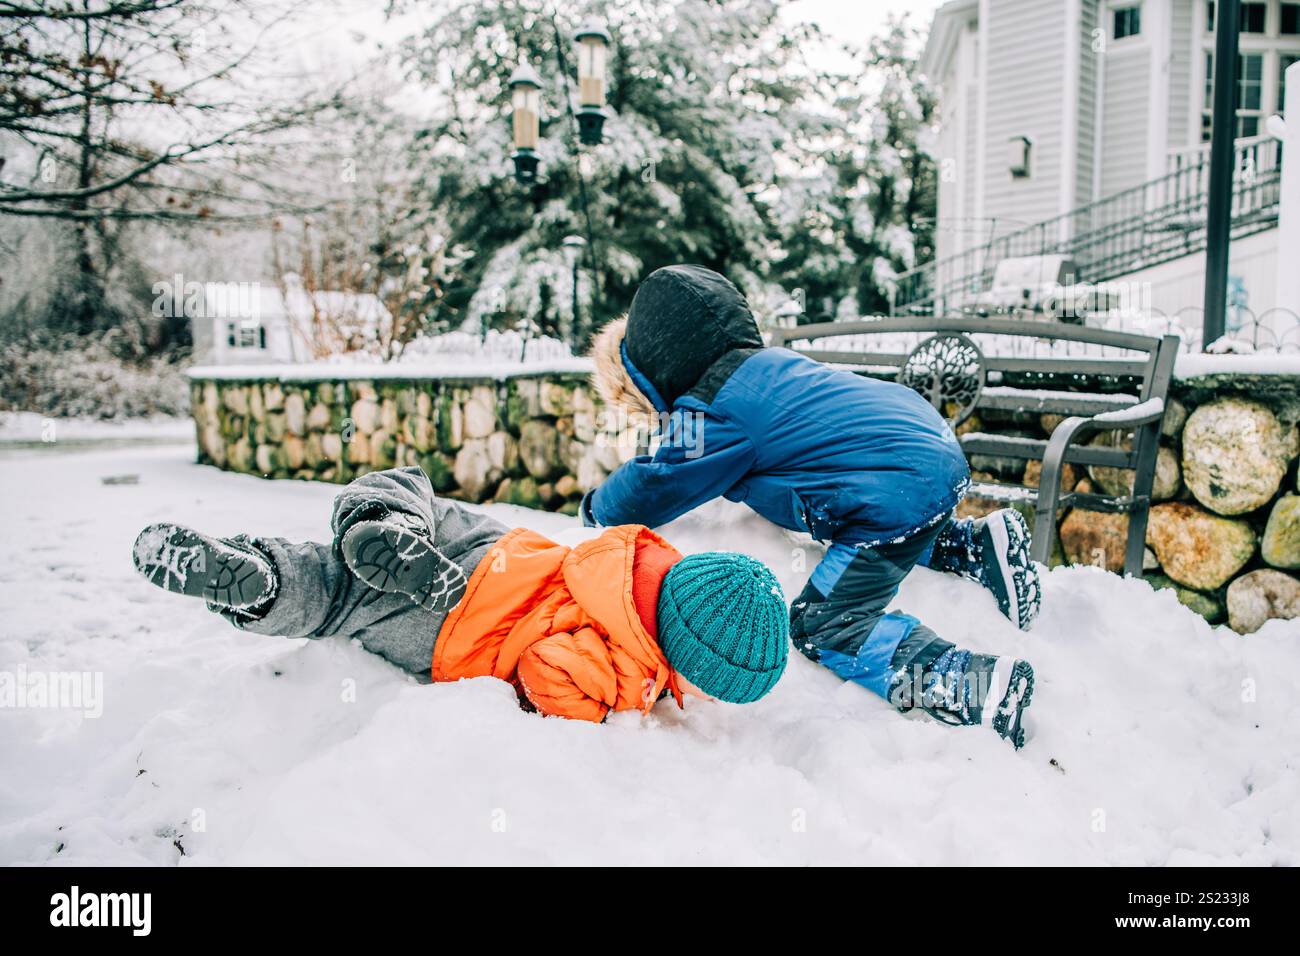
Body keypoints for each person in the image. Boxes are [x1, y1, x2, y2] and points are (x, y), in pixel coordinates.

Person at [585, 264, 1039, 747]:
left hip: (894, 491)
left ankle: (966, 682)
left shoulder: (714, 412)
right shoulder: (769, 369)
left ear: (656, 370)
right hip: (927, 452)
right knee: (873, 525)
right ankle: (973, 547)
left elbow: (657, 480)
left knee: (823, 623)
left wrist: (596, 508)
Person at [131, 465, 789, 723]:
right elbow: (547, 669)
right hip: (449, 630)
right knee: (334, 598)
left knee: (413, 492)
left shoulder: (628, 557)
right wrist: (594, 708)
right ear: (692, 664)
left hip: (493, 553)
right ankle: (264, 586)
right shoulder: (630, 668)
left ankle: (377, 519)